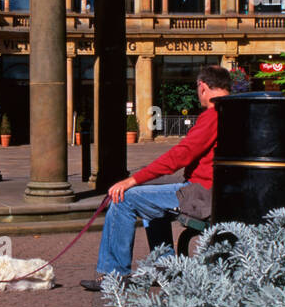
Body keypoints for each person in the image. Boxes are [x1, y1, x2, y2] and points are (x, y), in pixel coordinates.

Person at [80, 65, 231, 290]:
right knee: (151, 204)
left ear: (203, 87)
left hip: (201, 194)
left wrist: (132, 180)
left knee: (125, 198)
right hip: (216, 191)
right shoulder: (232, 111)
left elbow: (179, 156)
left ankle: (113, 275)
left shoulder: (213, 115)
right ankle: (166, 268)